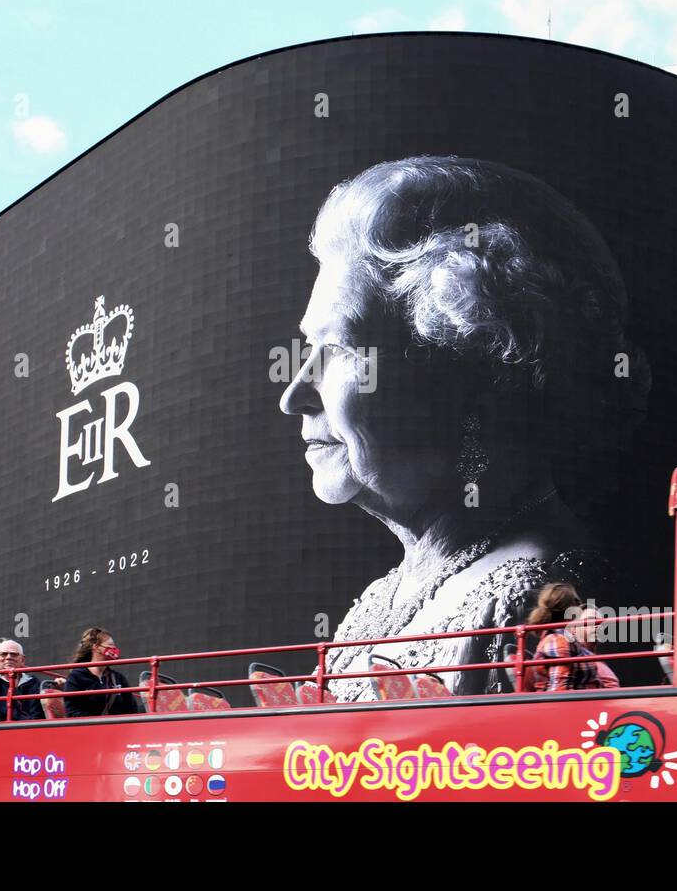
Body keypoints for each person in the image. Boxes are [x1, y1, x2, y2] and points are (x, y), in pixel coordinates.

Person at [278, 156, 649, 701]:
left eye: (336, 349)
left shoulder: (531, 603)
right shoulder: (387, 596)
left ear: (467, 373)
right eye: (307, 350)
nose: (294, 396)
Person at [523, 582, 602, 692]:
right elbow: (560, 690)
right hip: (579, 706)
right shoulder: (558, 641)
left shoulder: (561, 638)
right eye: (576, 602)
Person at [62, 628, 140, 717]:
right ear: (96, 647)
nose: (114, 649)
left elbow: (132, 709)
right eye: (110, 645)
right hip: (90, 728)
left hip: (118, 728)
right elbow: (72, 712)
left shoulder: (118, 678)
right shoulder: (77, 676)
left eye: (114, 647)